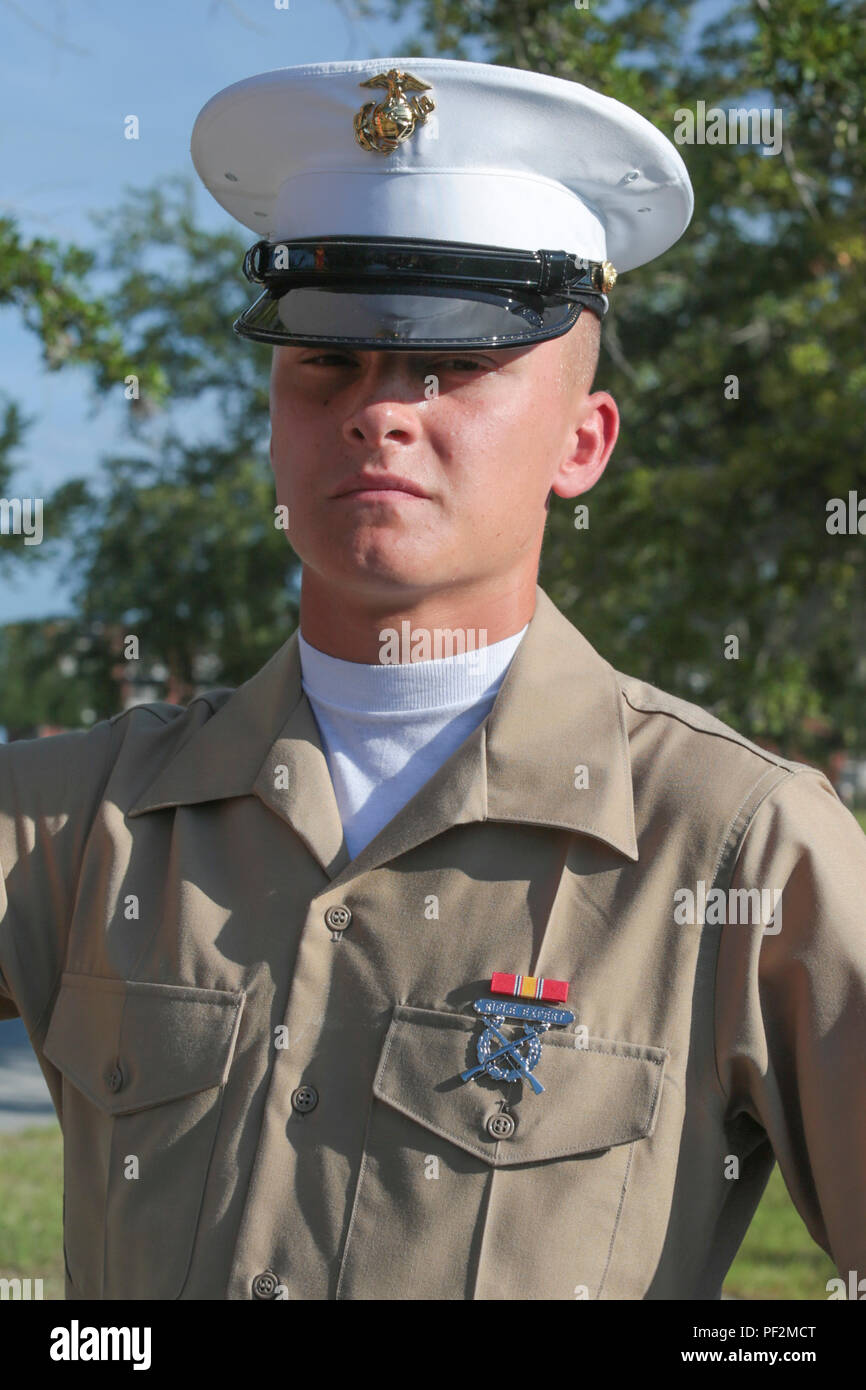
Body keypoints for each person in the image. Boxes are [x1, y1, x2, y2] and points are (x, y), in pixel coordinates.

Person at [1, 55, 864, 1302]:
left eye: (452, 366)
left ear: (581, 442)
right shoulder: (76, 823)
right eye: (327, 362)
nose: (380, 412)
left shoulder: (740, 852)